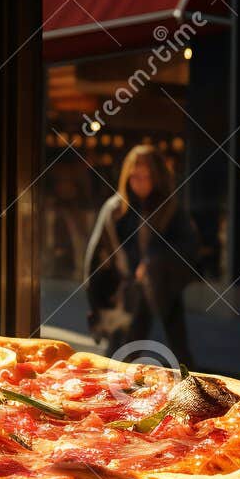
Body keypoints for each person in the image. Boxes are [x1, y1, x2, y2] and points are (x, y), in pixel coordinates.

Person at [83, 144, 198, 369]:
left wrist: (153, 260)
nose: (140, 182)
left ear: (156, 177)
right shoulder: (115, 209)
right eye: (135, 176)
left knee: (179, 352)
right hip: (126, 292)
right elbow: (96, 257)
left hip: (162, 286)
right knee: (119, 358)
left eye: (146, 176)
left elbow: (188, 246)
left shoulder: (170, 208)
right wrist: (96, 301)